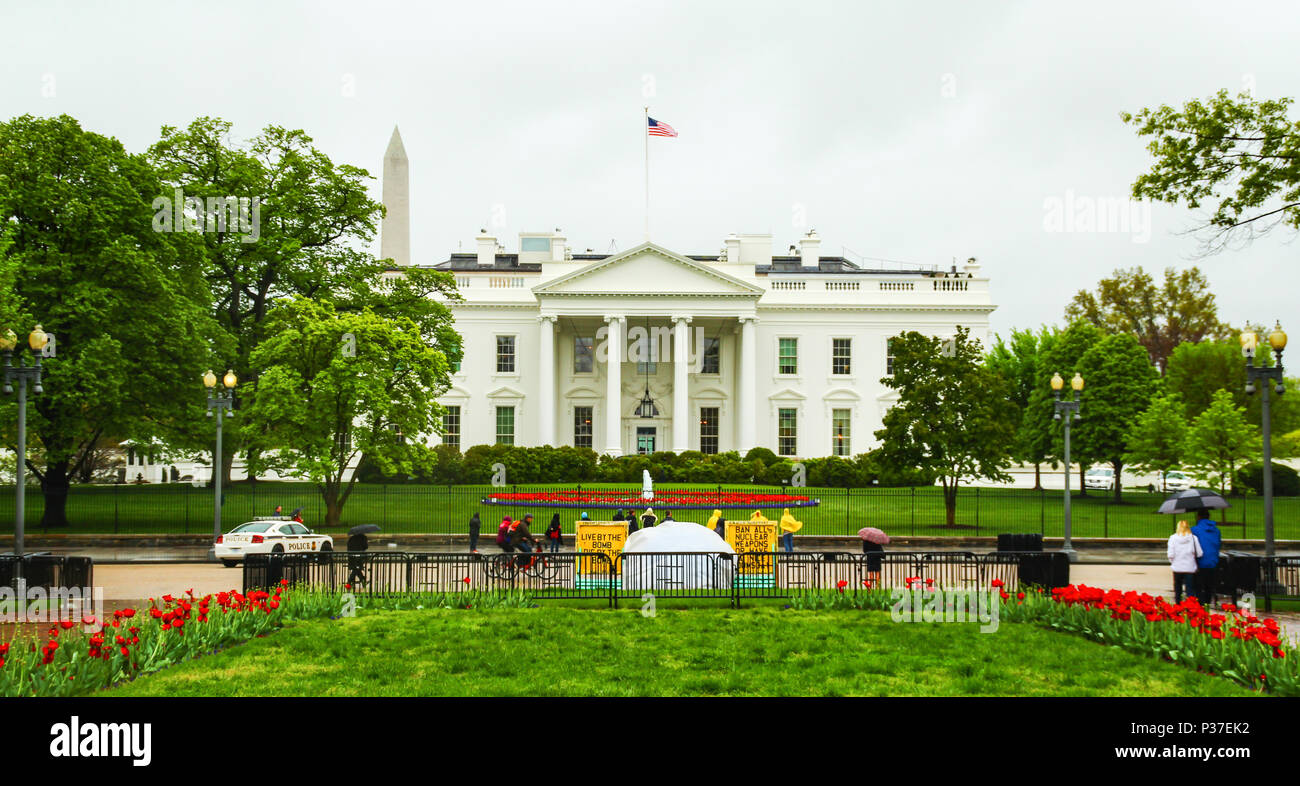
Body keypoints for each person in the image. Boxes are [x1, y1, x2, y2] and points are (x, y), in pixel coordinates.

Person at [1167, 519, 1203, 604]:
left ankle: (1178, 605)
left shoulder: (1173, 538)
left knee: (1178, 590)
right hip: (1190, 568)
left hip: (1177, 568)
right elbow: (1199, 553)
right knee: (1190, 590)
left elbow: (1170, 555)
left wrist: (1174, 562)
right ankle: (1190, 607)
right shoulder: (1193, 538)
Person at [1192, 509, 1222, 606]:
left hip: (1200, 563)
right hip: (1213, 562)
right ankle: (1207, 605)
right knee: (1209, 587)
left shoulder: (1194, 530)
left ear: (1199, 517)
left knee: (1198, 587)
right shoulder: (1216, 531)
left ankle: (1200, 607)